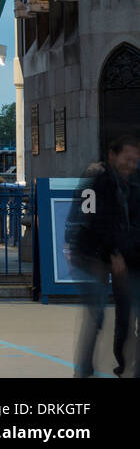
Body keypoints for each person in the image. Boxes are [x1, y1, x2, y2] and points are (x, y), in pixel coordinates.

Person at [69, 137, 140, 378]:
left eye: (135, 161)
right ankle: (85, 370)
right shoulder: (99, 179)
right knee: (97, 314)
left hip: (116, 256)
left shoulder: (126, 183)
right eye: (127, 159)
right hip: (93, 256)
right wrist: (113, 253)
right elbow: (94, 221)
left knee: (124, 313)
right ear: (112, 154)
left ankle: (122, 364)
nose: (131, 165)